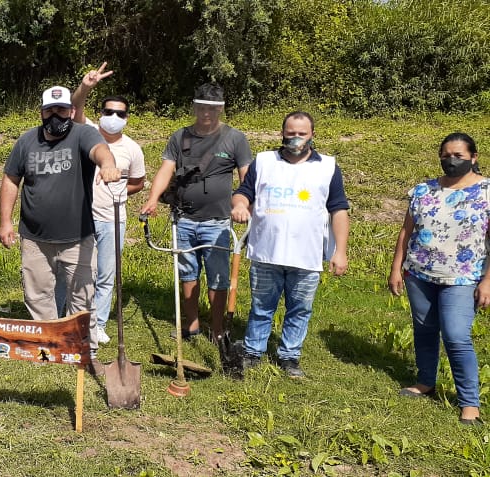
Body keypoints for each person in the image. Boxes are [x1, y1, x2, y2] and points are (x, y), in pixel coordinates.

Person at [0, 85, 120, 366]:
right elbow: (10, 180)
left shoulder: (82, 134)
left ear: (72, 111)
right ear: (41, 112)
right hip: (34, 237)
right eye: (50, 110)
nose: (56, 115)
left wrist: (108, 165)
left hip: (77, 236)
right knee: (38, 294)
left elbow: (101, 150)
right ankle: (50, 348)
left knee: (82, 295)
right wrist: (5, 222)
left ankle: (83, 349)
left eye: (62, 109)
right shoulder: (26, 141)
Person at [230, 111, 349, 378]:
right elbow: (244, 192)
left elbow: (338, 210)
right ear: (282, 133)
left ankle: (289, 356)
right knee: (261, 306)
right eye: (291, 133)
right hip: (265, 251)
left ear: (312, 136)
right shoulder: (264, 161)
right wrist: (239, 205)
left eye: (302, 134)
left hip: (306, 255)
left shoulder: (327, 166)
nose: (296, 138)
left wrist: (340, 251)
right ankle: (253, 351)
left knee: (299, 309)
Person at [388, 132, 488, 425]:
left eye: (458, 155)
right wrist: (396, 268)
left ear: (473, 157)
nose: (451, 160)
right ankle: (425, 382)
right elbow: (406, 232)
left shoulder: (486, 192)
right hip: (420, 273)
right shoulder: (422, 191)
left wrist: (487, 281)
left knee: (457, 336)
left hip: (463, 277)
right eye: (446, 155)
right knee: (424, 330)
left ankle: (470, 403)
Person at [140, 83, 253, 341]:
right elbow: (166, 169)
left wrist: (245, 206)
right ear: (194, 107)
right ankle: (191, 325)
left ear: (221, 109)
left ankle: (217, 328)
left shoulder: (235, 139)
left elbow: (247, 179)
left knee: (218, 278)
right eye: (201, 107)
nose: (206, 113)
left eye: (212, 109)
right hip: (184, 220)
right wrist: (152, 199)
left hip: (218, 222)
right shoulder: (180, 137)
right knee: (187, 273)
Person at [69, 62, 147, 344]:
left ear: (126, 118)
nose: (113, 116)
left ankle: (98, 324)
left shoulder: (132, 149)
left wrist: (120, 192)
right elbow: (75, 108)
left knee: (105, 274)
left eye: (119, 113)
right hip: (80, 215)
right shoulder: (86, 132)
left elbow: (138, 181)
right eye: (108, 111)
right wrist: (85, 87)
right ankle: (73, 318)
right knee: (78, 271)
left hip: (112, 219)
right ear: (100, 114)